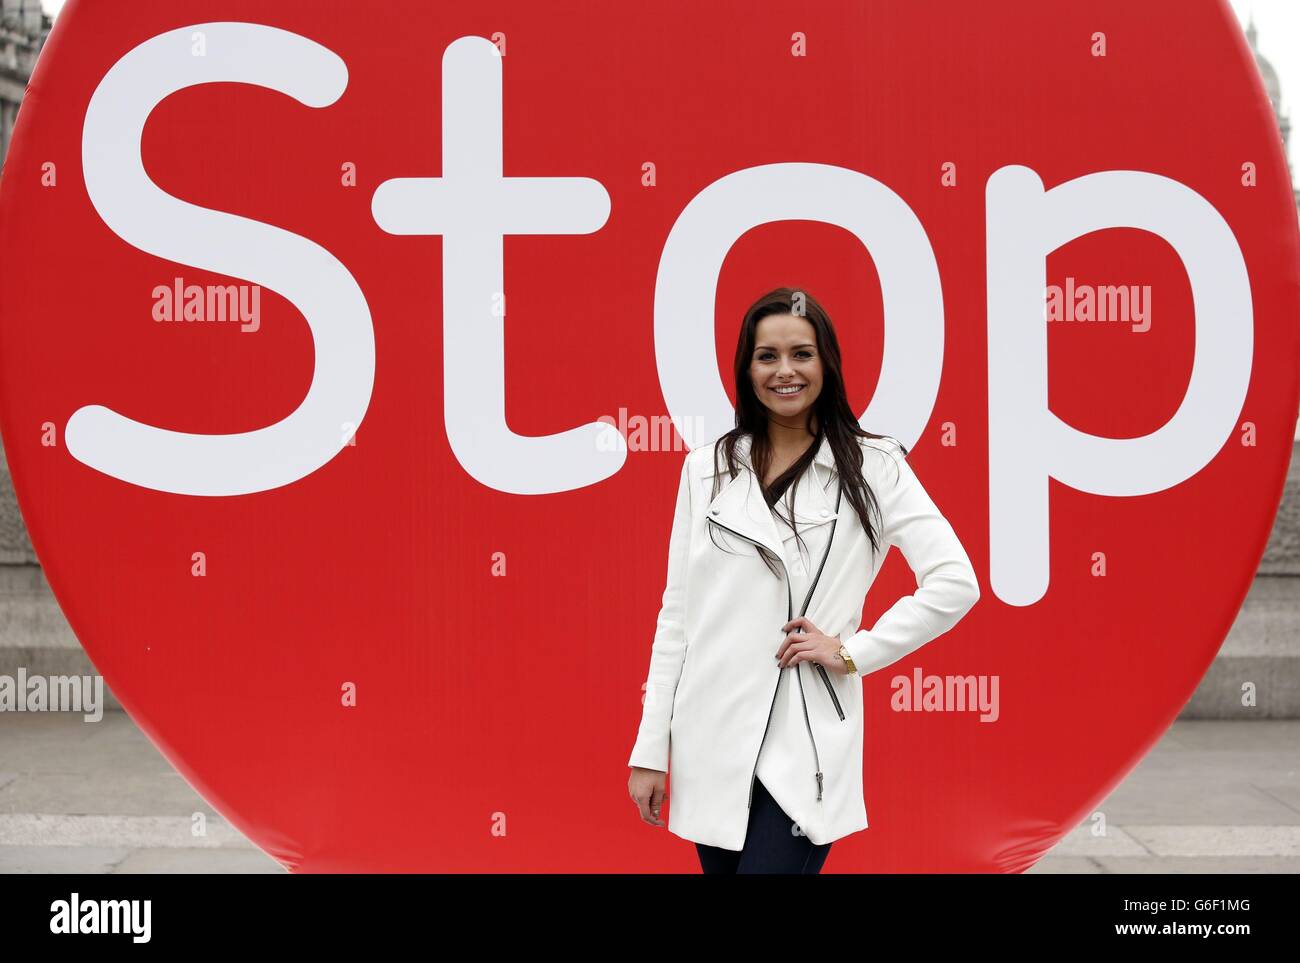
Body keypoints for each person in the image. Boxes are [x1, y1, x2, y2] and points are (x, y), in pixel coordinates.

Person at [626, 286, 981, 873]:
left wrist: (851, 651)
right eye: (766, 356)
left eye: (802, 354)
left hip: (806, 743)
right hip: (709, 740)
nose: (784, 370)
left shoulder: (875, 465)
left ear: (827, 364)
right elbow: (678, 616)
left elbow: (954, 580)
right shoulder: (706, 468)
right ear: (746, 368)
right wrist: (650, 749)